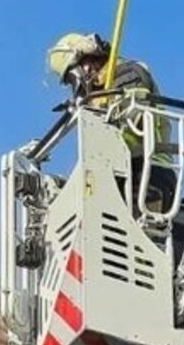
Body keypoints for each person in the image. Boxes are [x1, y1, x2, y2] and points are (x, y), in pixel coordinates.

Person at [44, 31, 173, 214]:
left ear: (85, 63)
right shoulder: (101, 90)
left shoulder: (126, 73)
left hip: (146, 170)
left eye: (72, 78)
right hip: (123, 172)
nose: (76, 86)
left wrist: (104, 107)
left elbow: (135, 115)